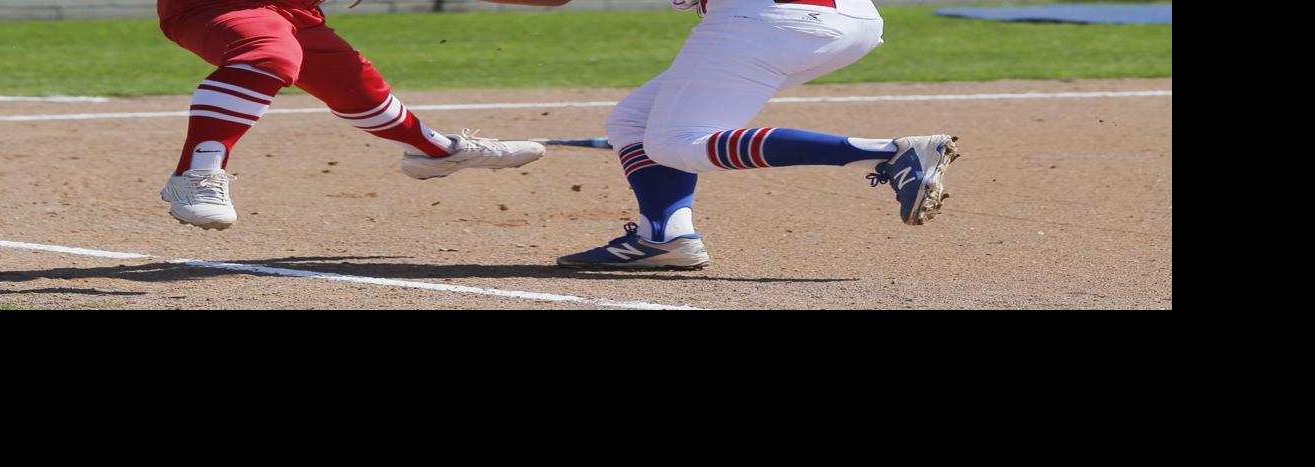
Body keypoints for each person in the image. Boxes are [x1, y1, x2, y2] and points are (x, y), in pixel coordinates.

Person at [488, 0, 958, 270]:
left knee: (676, 142)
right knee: (634, 120)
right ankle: (665, 236)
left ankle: (886, 154)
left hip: (768, 19)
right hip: (845, 19)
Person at [156, 0, 547, 230]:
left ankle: (439, 152)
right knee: (268, 55)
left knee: (359, 91)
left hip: (292, 9)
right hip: (215, 4)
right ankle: (194, 174)